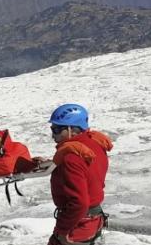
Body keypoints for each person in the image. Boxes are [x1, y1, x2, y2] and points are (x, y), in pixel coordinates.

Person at [46, 103, 113, 245]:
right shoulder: (94, 143)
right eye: (52, 128)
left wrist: (62, 232)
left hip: (78, 225)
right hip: (93, 220)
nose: (53, 134)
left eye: (57, 129)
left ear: (73, 129)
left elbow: (79, 203)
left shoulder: (71, 158)